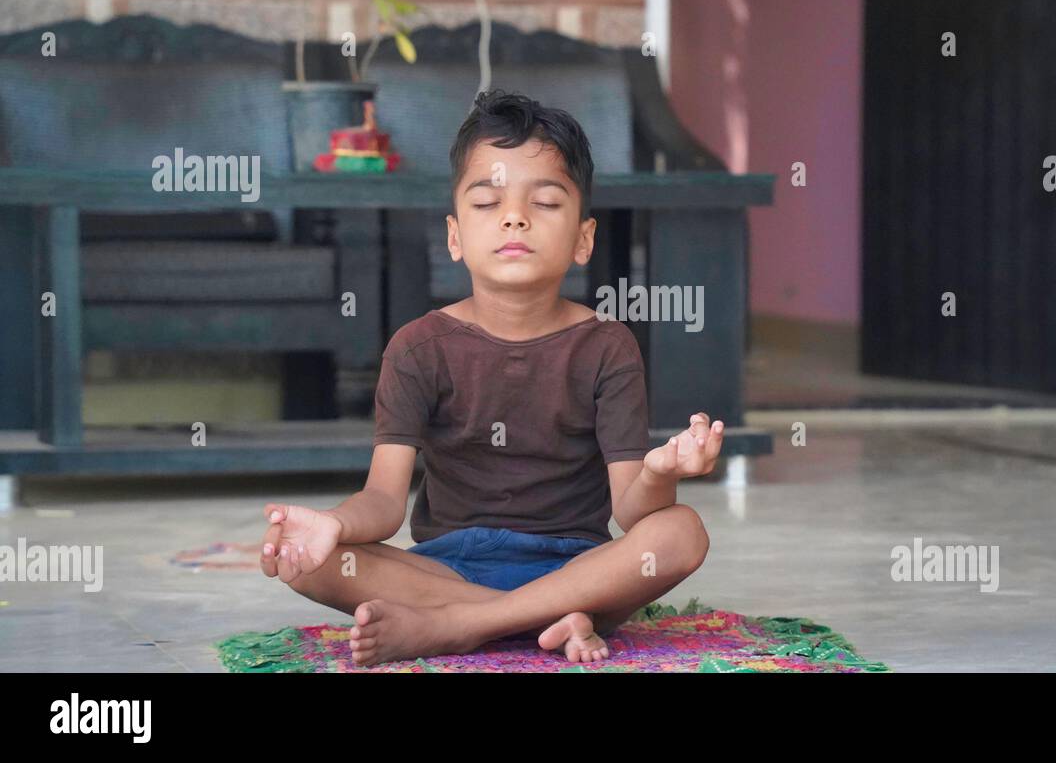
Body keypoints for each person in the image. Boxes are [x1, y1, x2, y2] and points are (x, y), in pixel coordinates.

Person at [259, 89, 723, 665]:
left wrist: (658, 473)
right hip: (446, 566)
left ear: (584, 239)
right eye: (487, 202)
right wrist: (331, 523)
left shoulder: (608, 346)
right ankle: (541, 620)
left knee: (680, 531)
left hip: (576, 568)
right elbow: (383, 503)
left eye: (546, 202)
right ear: (455, 237)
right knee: (310, 557)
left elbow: (633, 512)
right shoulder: (416, 347)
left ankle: (462, 625)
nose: (514, 216)